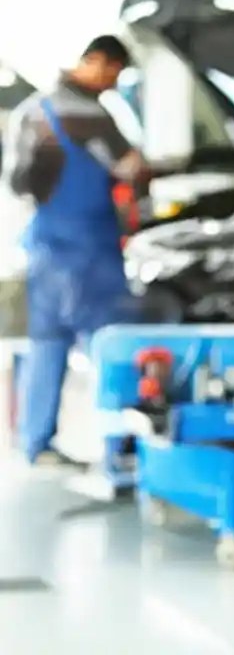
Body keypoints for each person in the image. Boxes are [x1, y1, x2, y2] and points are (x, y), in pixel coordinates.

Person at [1, 34, 149, 466]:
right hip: (91, 249)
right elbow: (131, 169)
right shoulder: (92, 116)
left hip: (46, 246)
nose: (112, 82)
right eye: (114, 72)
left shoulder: (32, 112)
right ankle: (118, 448)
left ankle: (36, 444)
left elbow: (17, 184)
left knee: (47, 342)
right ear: (98, 62)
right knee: (110, 345)